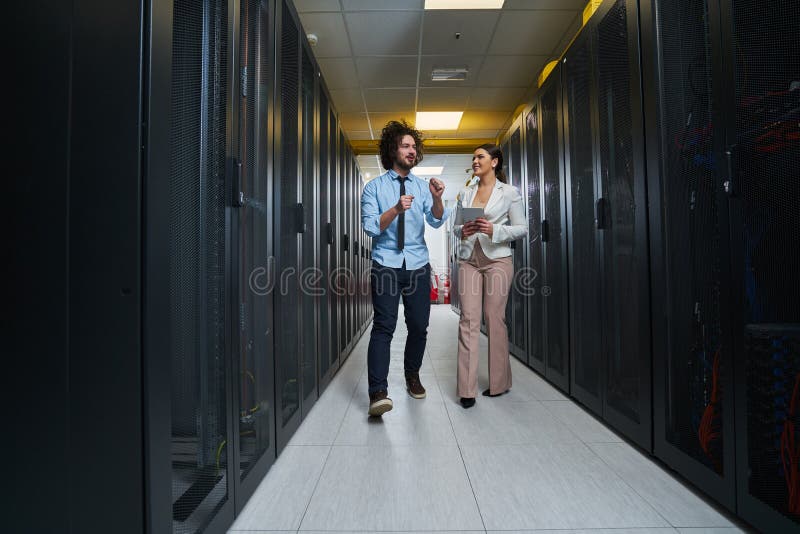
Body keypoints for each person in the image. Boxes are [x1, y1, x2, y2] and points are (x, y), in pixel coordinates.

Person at [361, 120, 449, 416]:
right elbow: (372, 228)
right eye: (405, 146)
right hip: (385, 263)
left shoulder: (423, 187)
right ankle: (378, 393)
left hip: (417, 265)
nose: (411, 151)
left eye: (414, 147)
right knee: (384, 326)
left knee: (419, 326)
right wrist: (396, 209)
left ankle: (412, 375)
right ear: (392, 150)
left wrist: (437, 199)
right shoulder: (374, 188)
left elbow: (436, 219)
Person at [453, 144, 527, 408]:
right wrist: (462, 230)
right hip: (469, 259)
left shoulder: (509, 193)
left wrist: (494, 229)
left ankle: (499, 383)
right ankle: (467, 389)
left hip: (497, 259)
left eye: (480, 157)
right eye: (473, 157)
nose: (475, 160)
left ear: (494, 162)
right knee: (468, 319)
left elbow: (522, 229)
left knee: (494, 318)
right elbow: (456, 228)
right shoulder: (466, 191)